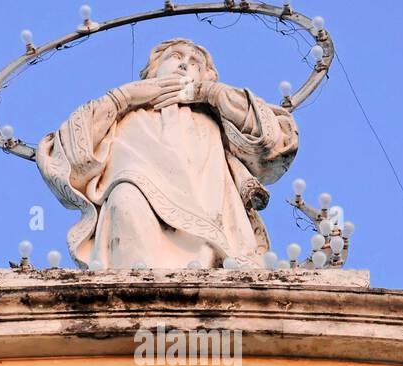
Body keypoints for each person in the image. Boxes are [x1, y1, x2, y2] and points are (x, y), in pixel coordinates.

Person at [36, 39, 299, 269]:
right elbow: (66, 154)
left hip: (207, 211)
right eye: (175, 57)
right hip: (133, 201)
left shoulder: (215, 116)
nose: (184, 65)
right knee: (125, 194)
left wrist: (209, 93)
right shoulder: (122, 115)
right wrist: (123, 97)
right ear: (153, 68)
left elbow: (273, 140)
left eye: (194, 63)